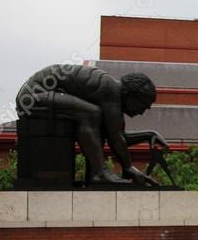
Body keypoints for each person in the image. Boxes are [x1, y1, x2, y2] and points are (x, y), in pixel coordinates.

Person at [16, 64, 166, 185]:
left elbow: (119, 138)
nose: (141, 112)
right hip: (31, 99)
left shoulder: (111, 96)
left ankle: (95, 176)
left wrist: (149, 135)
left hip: (42, 96)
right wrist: (128, 167)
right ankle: (99, 174)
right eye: (143, 105)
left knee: (95, 116)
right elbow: (115, 137)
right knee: (91, 113)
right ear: (133, 96)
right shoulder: (110, 89)